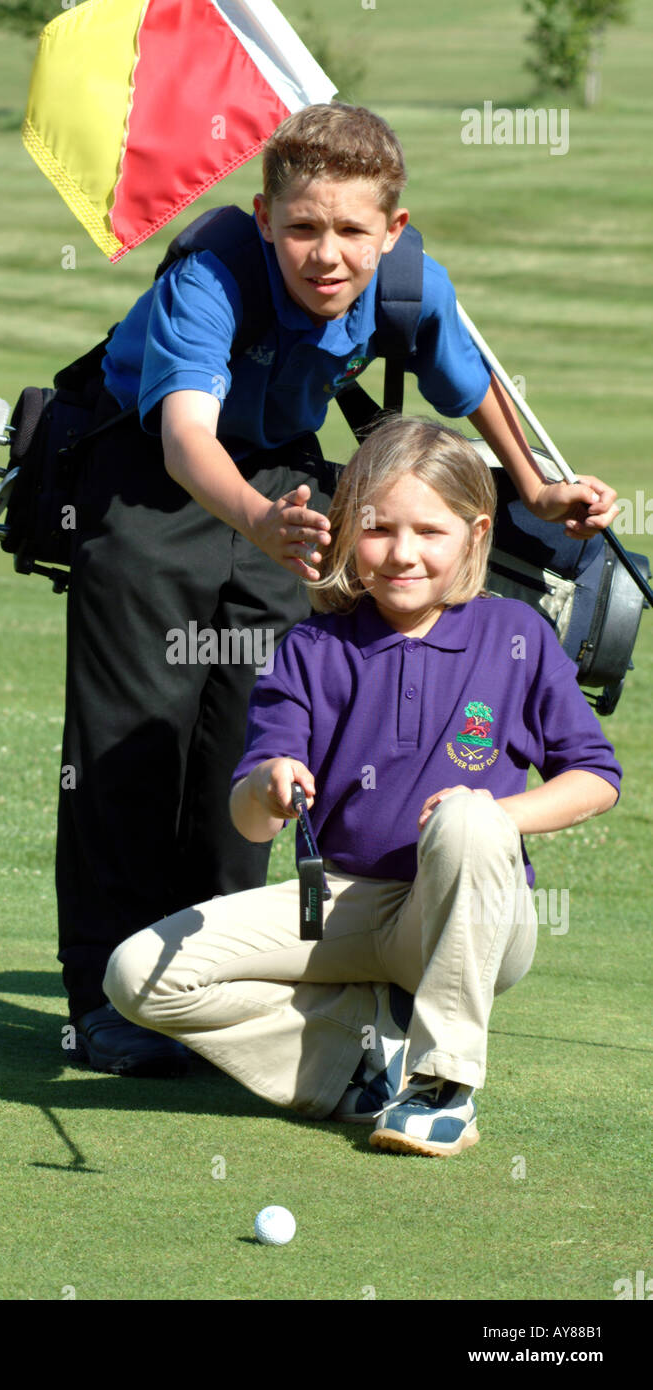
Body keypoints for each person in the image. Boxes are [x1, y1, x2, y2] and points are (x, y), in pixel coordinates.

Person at [58, 103, 618, 1078]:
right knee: (131, 739)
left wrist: (535, 488)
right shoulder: (212, 277)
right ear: (264, 217)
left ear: (390, 230)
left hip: (282, 484)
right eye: (303, 227)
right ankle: (100, 1000)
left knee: (250, 741)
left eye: (351, 230)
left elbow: (470, 379)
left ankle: (202, 972)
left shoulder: (407, 281)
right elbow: (187, 435)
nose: (327, 254)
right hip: (152, 484)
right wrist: (257, 521)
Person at [102, 415, 622, 1154]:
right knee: (137, 977)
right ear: (347, 530)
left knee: (471, 822)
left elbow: (596, 779)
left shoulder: (519, 635)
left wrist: (495, 815)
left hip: (472, 920)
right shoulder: (312, 646)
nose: (401, 555)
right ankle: (361, 1063)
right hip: (339, 904)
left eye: (430, 533)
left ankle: (443, 1088)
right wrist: (269, 789)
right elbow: (251, 823)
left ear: (477, 535)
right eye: (378, 531)